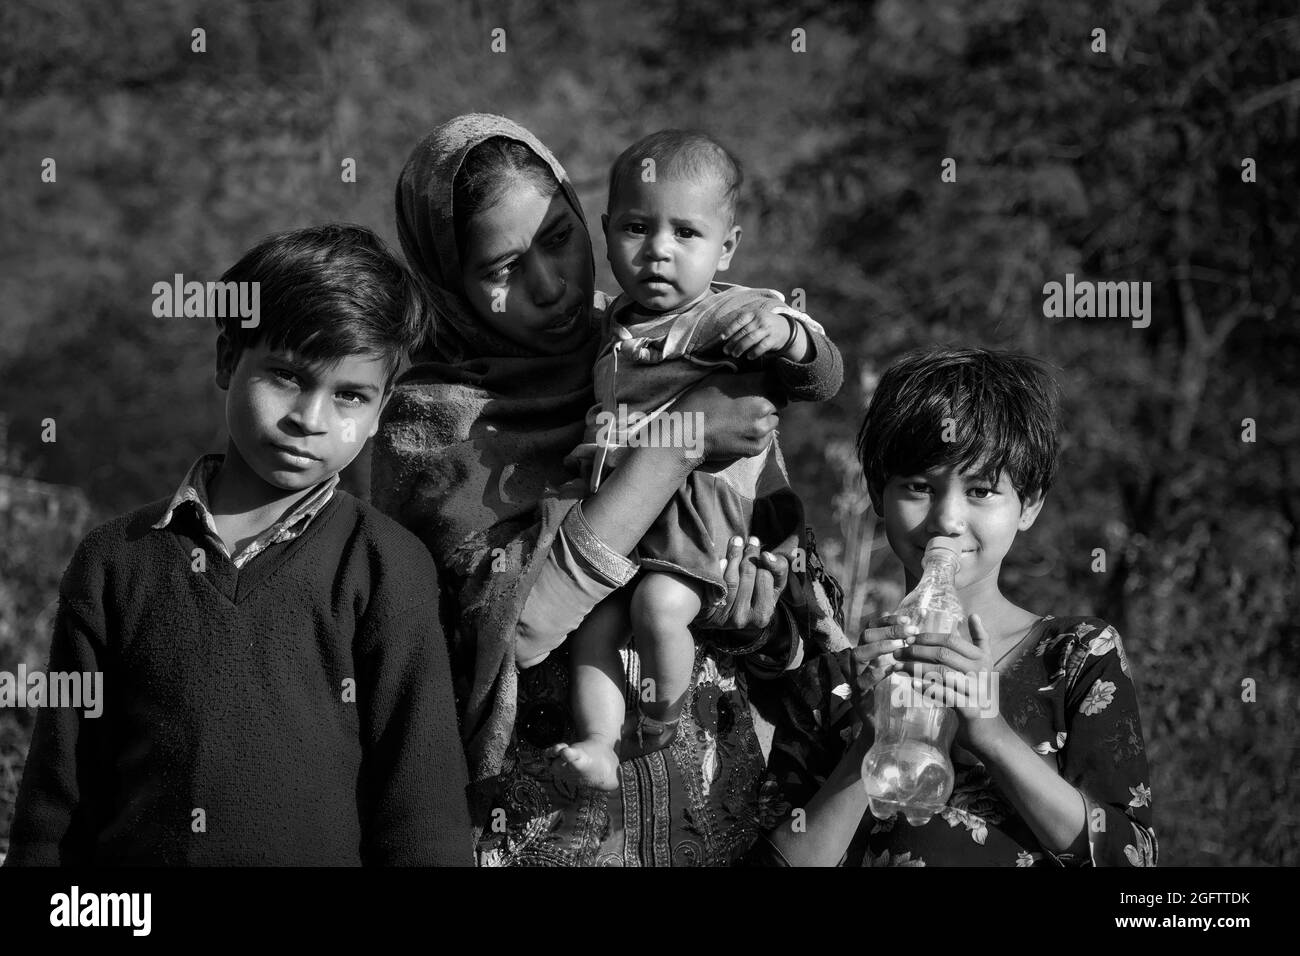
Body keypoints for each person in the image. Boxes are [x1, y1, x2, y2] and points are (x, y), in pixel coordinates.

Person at [373, 114, 848, 866]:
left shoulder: (663, 339)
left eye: (558, 239)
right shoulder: (435, 423)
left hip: (713, 822)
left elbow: (790, 608)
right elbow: (519, 627)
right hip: (550, 839)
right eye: (502, 270)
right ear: (446, 280)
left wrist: (757, 624)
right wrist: (682, 440)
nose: (552, 284)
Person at [5, 224, 474, 866]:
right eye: (286, 376)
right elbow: (57, 796)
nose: (310, 419)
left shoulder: (386, 567)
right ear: (228, 360)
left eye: (349, 395)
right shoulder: (117, 560)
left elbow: (421, 807)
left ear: (383, 404)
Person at [748, 346, 1157, 866]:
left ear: (1028, 505)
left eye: (982, 490)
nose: (947, 518)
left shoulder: (1076, 657)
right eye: (919, 487)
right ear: (877, 495)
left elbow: (1130, 858)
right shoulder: (833, 684)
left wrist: (989, 731)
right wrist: (868, 745)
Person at [550, 130, 844, 791]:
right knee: (592, 627)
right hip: (623, 519)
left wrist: (788, 335)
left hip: (705, 523)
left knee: (659, 609)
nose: (658, 249)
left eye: (686, 232)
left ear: (726, 246)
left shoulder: (730, 312)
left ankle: (659, 728)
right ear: (604, 233)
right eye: (636, 227)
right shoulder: (608, 329)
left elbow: (823, 376)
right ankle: (600, 739)